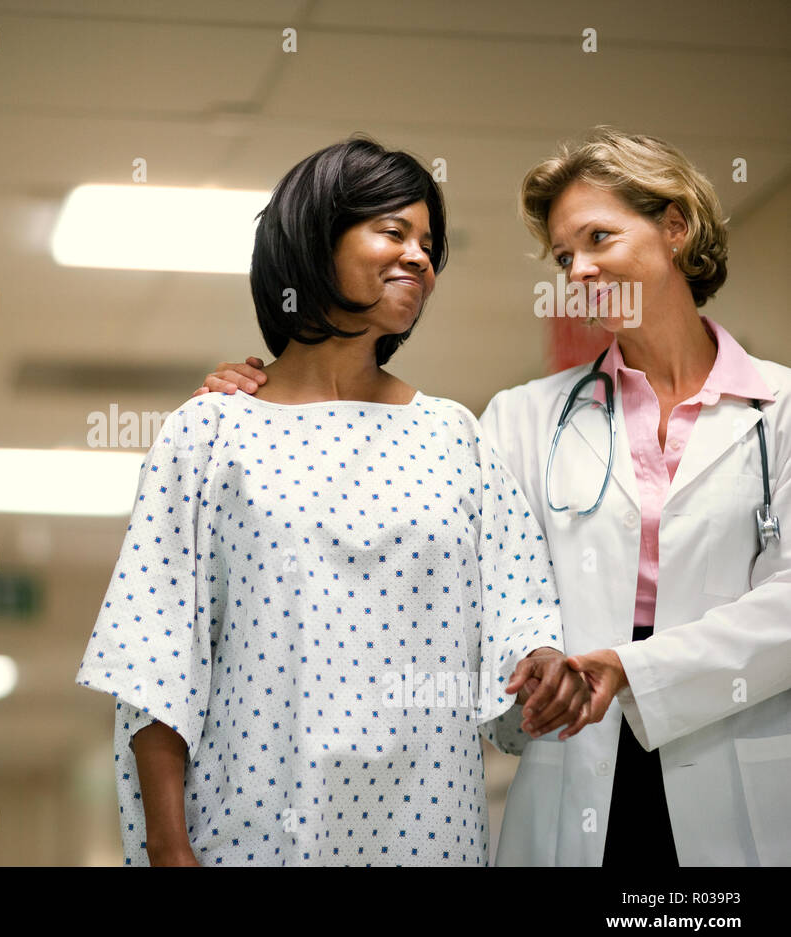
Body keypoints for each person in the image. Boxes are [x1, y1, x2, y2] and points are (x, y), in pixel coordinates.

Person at [196, 128, 791, 866]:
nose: (579, 269)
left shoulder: (782, 411)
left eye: (598, 238)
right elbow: (454, 581)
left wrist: (633, 669)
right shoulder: (521, 418)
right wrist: (273, 401)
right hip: (577, 762)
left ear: (676, 227)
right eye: (565, 255)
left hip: (736, 764)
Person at [75, 136, 592, 867]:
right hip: (252, 835)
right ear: (316, 241)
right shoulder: (210, 432)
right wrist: (168, 847)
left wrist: (538, 660)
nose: (420, 257)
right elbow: (152, 662)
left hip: (427, 832)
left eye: (429, 243)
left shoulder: (455, 438)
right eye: (392, 231)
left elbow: (520, 608)